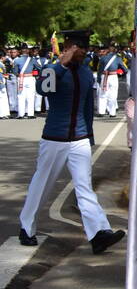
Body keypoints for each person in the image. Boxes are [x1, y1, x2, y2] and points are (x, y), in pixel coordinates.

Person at [17, 31, 124, 252]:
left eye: (84, 48)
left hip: (80, 139)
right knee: (42, 184)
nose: (83, 51)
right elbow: (41, 89)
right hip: (54, 138)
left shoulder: (86, 72)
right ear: (67, 47)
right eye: (78, 47)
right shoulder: (54, 70)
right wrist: (60, 66)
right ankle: (26, 228)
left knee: (84, 187)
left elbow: (86, 107)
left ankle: (99, 234)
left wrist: (90, 136)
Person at [98, 43, 126, 117]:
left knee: (103, 95)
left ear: (107, 50)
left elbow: (99, 70)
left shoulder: (103, 58)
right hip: (113, 77)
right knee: (113, 95)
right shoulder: (118, 58)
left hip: (104, 77)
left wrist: (98, 79)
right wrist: (121, 75)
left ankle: (101, 112)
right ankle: (112, 113)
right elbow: (125, 69)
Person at [15, 45, 39, 118]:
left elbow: (15, 71)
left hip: (21, 78)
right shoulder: (32, 60)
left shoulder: (17, 60)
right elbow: (39, 68)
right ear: (27, 50)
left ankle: (21, 114)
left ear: (21, 51)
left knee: (21, 96)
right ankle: (30, 114)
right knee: (31, 96)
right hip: (30, 78)